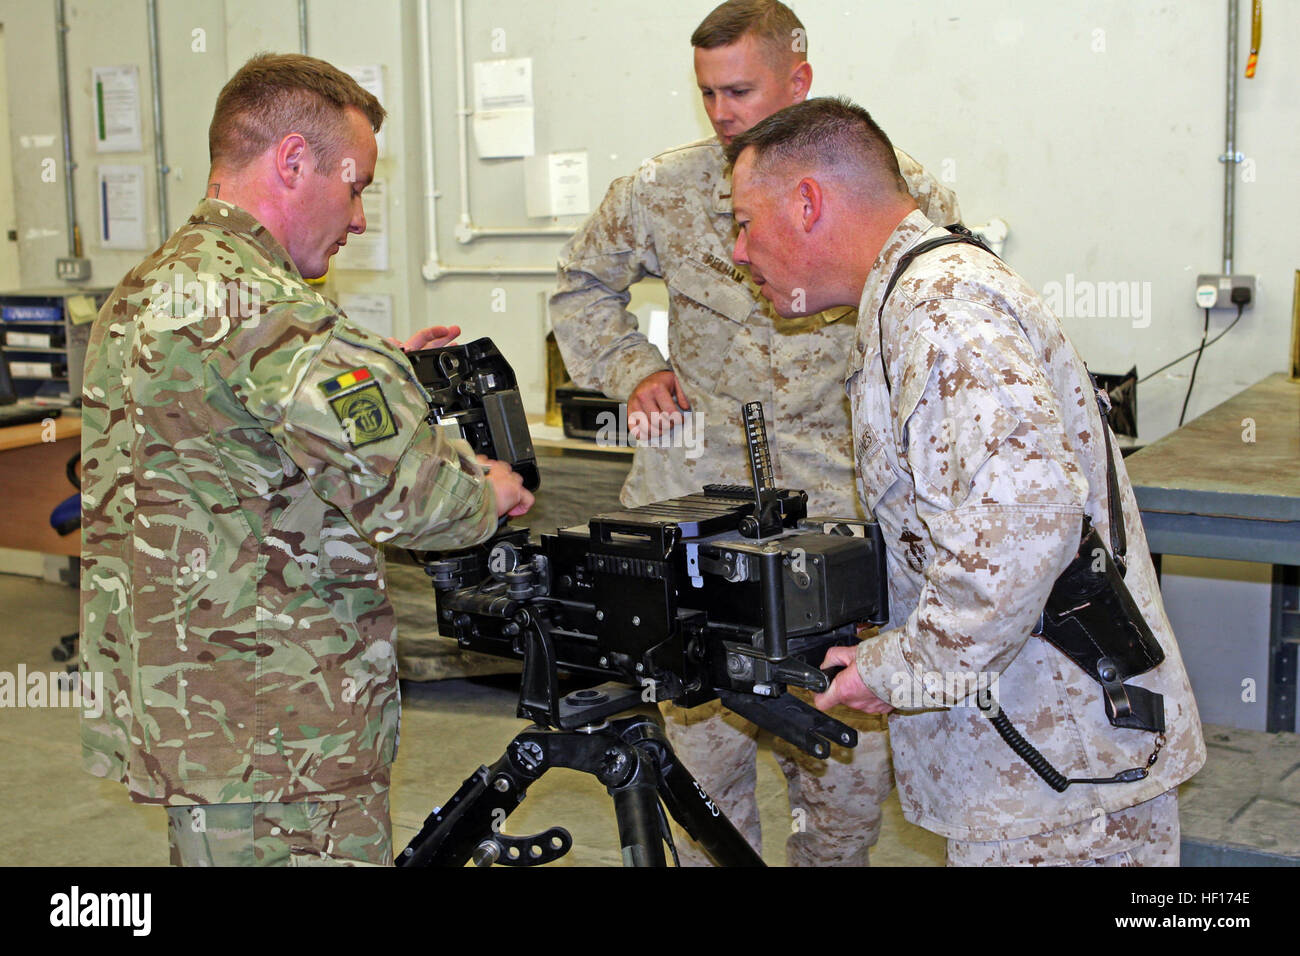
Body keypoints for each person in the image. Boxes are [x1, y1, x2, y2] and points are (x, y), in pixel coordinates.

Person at [725, 96, 1206, 865]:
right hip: (1036, 764)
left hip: (1059, 783)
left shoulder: (940, 310)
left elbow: (1021, 530)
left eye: (745, 222)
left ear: (807, 202)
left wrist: (896, 668)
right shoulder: (914, 296)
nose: (739, 251)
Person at [79, 53, 533, 867]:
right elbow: (415, 499)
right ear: (292, 161)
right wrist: (490, 492)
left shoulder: (149, 289)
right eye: (356, 186)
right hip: (285, 729)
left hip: (189, 711)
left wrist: (374, 368)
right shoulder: (283, 322)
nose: (359, 218)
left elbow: (221, 428)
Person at [551, 0, 959, 866]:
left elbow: (944, 321)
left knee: (841, 777)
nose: (723, 112)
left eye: (740, 89)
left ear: (799, 80)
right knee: (701, 772)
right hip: (697, 512)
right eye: (707, 94)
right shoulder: (663, 191)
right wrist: (631, 370)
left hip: (835, 522)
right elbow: (581, 284)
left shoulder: (888, 191)